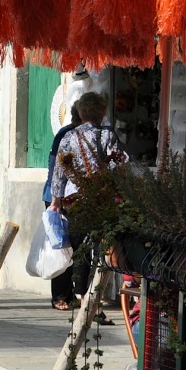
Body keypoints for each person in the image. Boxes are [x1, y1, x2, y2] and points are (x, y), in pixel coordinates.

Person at [49, 91, 128, 321]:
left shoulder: (68, 137)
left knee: (80, 248)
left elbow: (59, 172)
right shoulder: (107, 135)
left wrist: (55, 201)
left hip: (76, 201)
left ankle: (82, 296)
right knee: (99, 248)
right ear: (101, 112)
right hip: (102, 199)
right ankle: (94, 300)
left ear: (81, 113)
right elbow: (121, 163)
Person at [43, 107, 82, 311]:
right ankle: (59, 296)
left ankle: (69, 294)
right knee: (62, 247)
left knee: (72, 247)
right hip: (58, 198)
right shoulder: (66, 135)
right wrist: (56, 200)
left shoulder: (77, 135)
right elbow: (55, 170)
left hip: (69, 198)